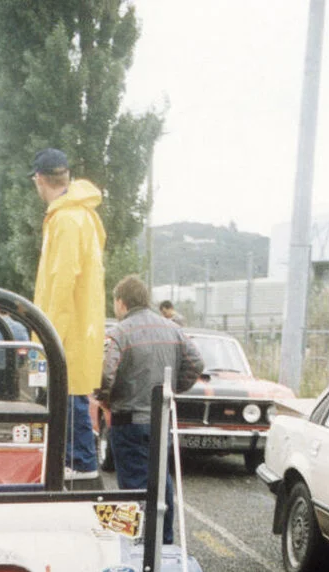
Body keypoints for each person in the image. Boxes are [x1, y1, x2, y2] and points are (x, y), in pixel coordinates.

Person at [97, 274, 204, 543]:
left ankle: (135, 547)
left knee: (133, 489)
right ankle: (163, 544)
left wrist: (104, 399)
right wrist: (171, 390)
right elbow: (196, 363)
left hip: (128, 420)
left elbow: (105, 375)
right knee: (161, 484)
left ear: (121, 302)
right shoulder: (173, 329)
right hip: (160, 418)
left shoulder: (119, 332)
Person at [29, 147, 106, 482]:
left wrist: (49, 337)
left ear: (39, 180)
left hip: (66, 336)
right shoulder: (82, 215)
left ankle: (81, 474)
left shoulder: (65, 219)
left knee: (70, 406)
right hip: (77, 331)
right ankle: (79, 470)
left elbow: (61, 282)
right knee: (72, 405)